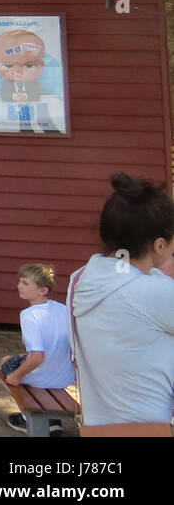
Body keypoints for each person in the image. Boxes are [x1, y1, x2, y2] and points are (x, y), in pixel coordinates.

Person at [67, 173, 174, 434]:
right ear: (160, 245)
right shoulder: (155, 292)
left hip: (96, 427)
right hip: (151, 428)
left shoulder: (79, 280)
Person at [0, 263, 74, 434]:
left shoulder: (29, 315)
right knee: (21, 358)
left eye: (25, 283)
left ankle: (27, 419)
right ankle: (52, 420)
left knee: (6, 365)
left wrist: (15, 377)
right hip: (65, 376)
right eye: (20, 281)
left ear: (43, 290)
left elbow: (38, 357)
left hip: (41, 378)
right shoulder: (62, 309)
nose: (19, 286)